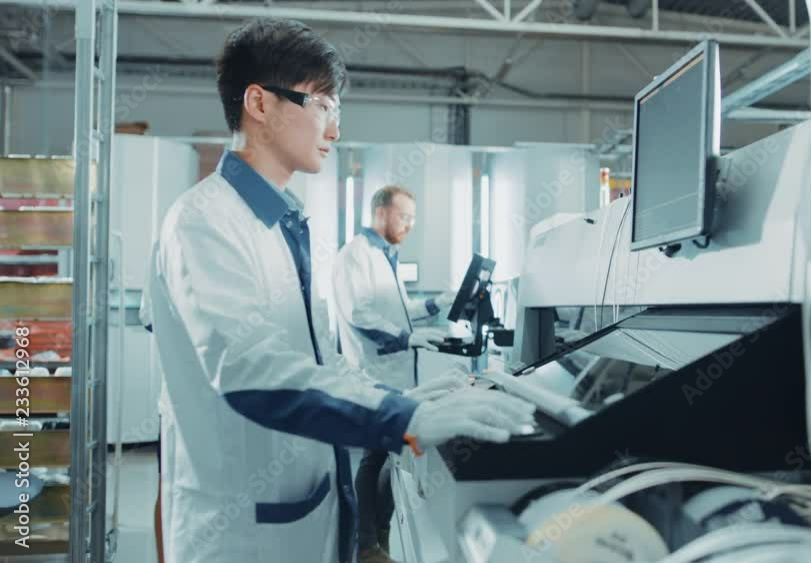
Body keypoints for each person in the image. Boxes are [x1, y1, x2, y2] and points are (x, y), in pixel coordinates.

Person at [146, 18, 534, 563]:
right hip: (242, 532)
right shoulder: (203, 221)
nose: (334, 129)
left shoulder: (288, 223)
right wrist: (402, 420)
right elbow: (250, 371)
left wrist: (399, 400)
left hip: (306, 508)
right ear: (259, 104)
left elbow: (316, 360)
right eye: (323, 105)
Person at [332, 185, 455, 562]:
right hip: (372, 373)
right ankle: (366, 544)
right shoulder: (356, 255)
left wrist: (435, 304)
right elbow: (360, 315)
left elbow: (398, 309)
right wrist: (408, 337)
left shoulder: (386, 256)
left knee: (386, 456)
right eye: (404, 216)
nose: (409, 225)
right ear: (381, 213)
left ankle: (377, 536)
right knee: (374, 459)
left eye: (413, 219)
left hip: (396, 375)